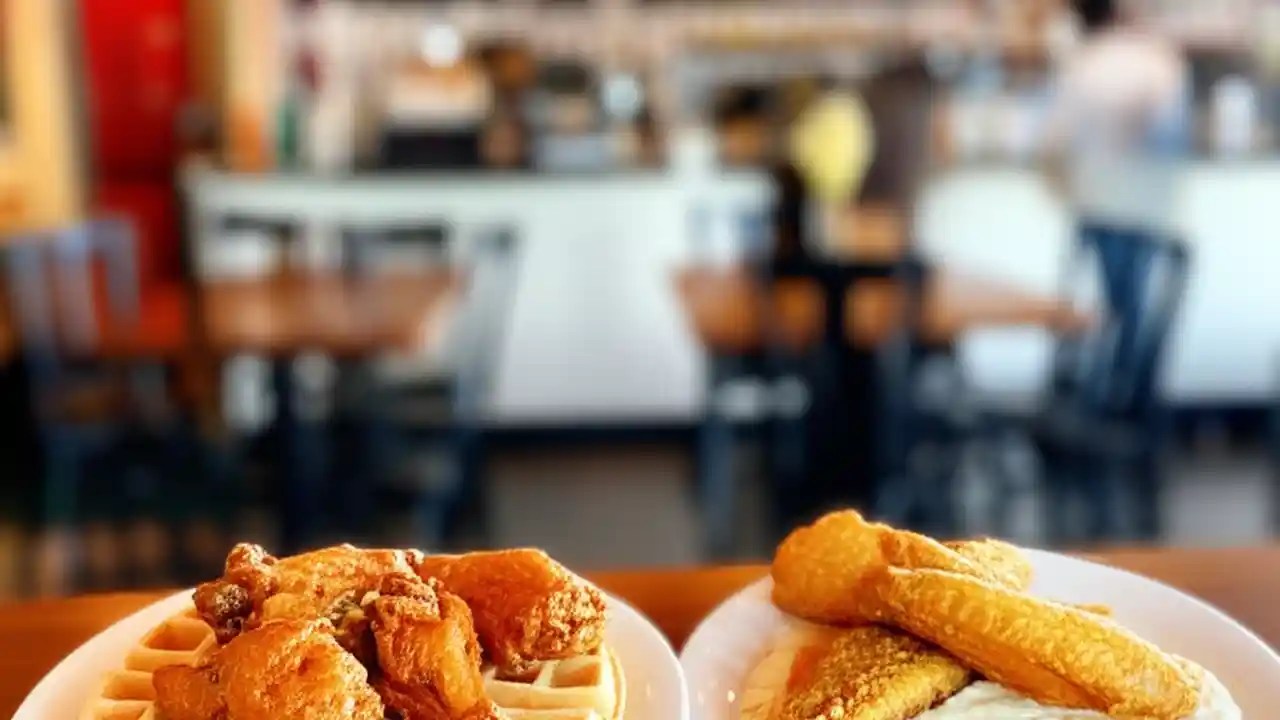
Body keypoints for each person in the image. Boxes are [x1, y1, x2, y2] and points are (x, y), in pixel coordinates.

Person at [1046, 0, 1190, 232]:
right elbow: (1171, 135)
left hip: (1095, 201)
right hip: (1147, 205)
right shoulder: (1156, 59)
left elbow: (1056, 143)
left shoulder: (1081, 65)